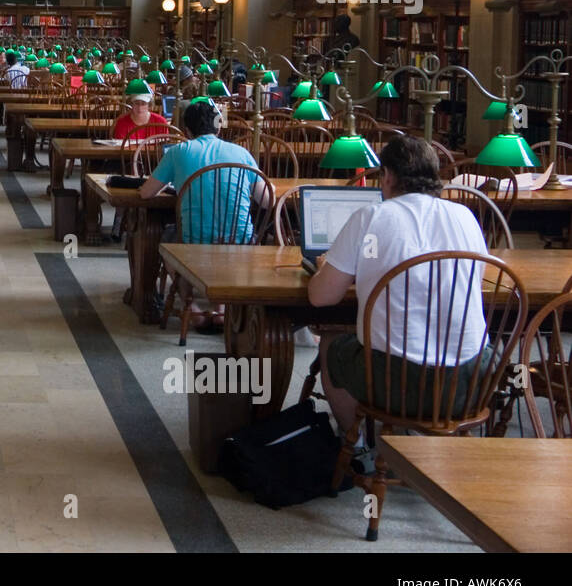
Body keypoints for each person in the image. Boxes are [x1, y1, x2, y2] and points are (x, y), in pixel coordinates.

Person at [309, 135, 489, 448]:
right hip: (470, 381)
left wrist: (331, 267)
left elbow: (321, 298)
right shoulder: (466, 218)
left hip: (400, 383)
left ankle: (358, 445)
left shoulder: (372, 218)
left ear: (389, 176)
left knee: (332, 344)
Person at [139, 100, 265, 328]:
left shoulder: (178, 151)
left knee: (166, 239)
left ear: (186, 129)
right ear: (218, 127)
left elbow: (147, 193)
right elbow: (266, 200)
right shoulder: (241, 152)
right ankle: (222, 308)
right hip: (242, 242)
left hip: (193, 243)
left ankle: (193, 309)